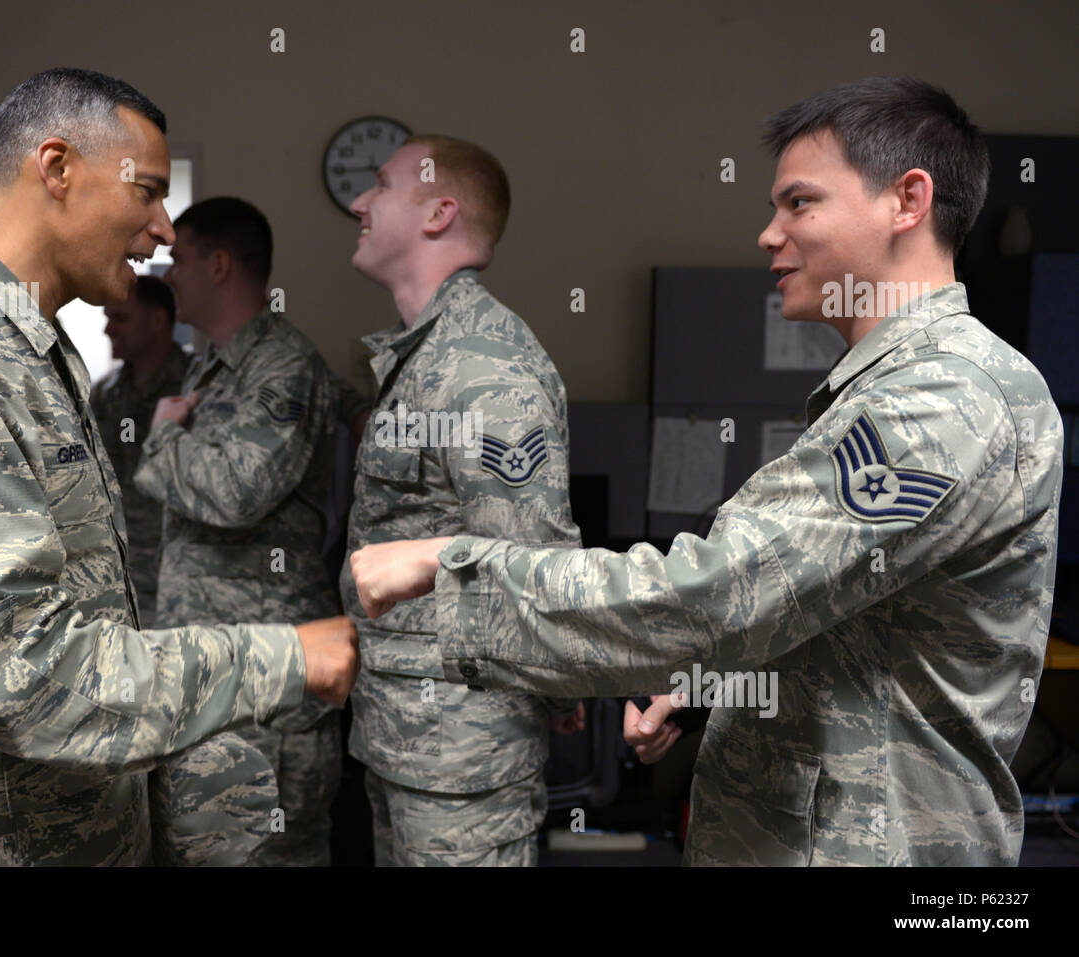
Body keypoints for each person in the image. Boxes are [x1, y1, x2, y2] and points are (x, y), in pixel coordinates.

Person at [350, 77, 1064, 867]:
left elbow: (718, 592)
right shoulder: (882, 391)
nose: (769, 234)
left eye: (799, 203)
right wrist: (709, 684)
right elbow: (845, 616)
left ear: (907, 200)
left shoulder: (947, 396)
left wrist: (448, 566)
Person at [0, 67, 357, 866]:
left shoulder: (30, 350)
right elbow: (18, 676)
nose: (165, 230)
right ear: (57, 168)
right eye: (149, 192)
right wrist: (285, 657)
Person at [340, 134, 583, 866]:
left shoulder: (482, 363)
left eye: (380, 185)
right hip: (404, 741)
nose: (358, 201)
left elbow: (534, 571)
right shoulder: (425, 355)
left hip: (463, 765)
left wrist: (565, 687)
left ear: (439, 213)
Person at [133, 196, 348, 865]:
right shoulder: (214, 362)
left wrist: (162, 442)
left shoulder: (282, 363)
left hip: (268, 691)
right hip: (212, 676)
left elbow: (237, 491)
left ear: (219, 264)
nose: (167, 276)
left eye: (179, 260)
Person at [90, 274, 191, 627]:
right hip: (120, 579)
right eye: (107, 318)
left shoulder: (195, 386)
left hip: (181, 583)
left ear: (158, 320)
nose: (108, 329)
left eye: (120, 317)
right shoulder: (104, 392)